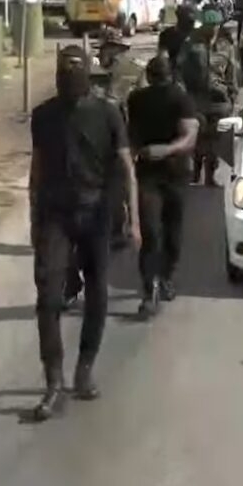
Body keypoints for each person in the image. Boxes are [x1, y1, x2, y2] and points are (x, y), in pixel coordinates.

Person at [28, 47, 140, 420]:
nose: (70, 80)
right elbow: (37, 169)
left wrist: (133, 220)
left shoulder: (107, 112)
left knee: (97, 294)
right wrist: (33, 220)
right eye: (65, 73)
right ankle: (53, 383)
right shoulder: (43, 115)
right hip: (55, 214)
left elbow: (126, 167)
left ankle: (85, 369)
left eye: (76, 73)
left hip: (97, 214)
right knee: (48, 298)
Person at [126, 57, 200, 318]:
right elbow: (131, 133)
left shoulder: (181, 100)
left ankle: (165, 277)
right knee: (151, 233)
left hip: (175, 174)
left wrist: (165, 150)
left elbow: (190, 136)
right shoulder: (137, 100)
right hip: (148, 174)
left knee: (172, 234)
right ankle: (150, 290)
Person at [178, 8, 237, 187]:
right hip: (197, 98)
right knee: (198, 137)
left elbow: (233, 72)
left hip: (220, 101)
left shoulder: (226, 46)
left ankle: (211, 175)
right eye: (208, 25)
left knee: (216, 140)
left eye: (215, 26)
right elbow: (179, 70)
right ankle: (196, 172)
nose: (212, 29)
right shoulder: (190, 44)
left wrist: (232, 95)